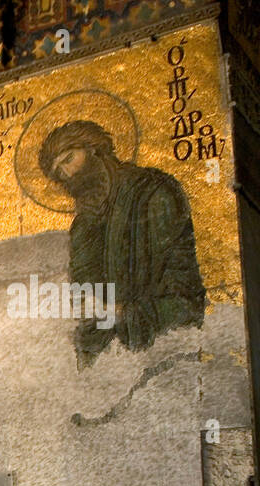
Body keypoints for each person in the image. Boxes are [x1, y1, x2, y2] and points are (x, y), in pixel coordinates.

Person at [38, 119, 205, 367]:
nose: (68, 174)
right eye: (59, 173)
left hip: (167, 355)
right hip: (111, 364)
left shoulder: (153, 194)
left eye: (69, 159)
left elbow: (186, 304)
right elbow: (87, 302)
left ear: (94, 148)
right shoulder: (84, 226)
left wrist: (119, 313)